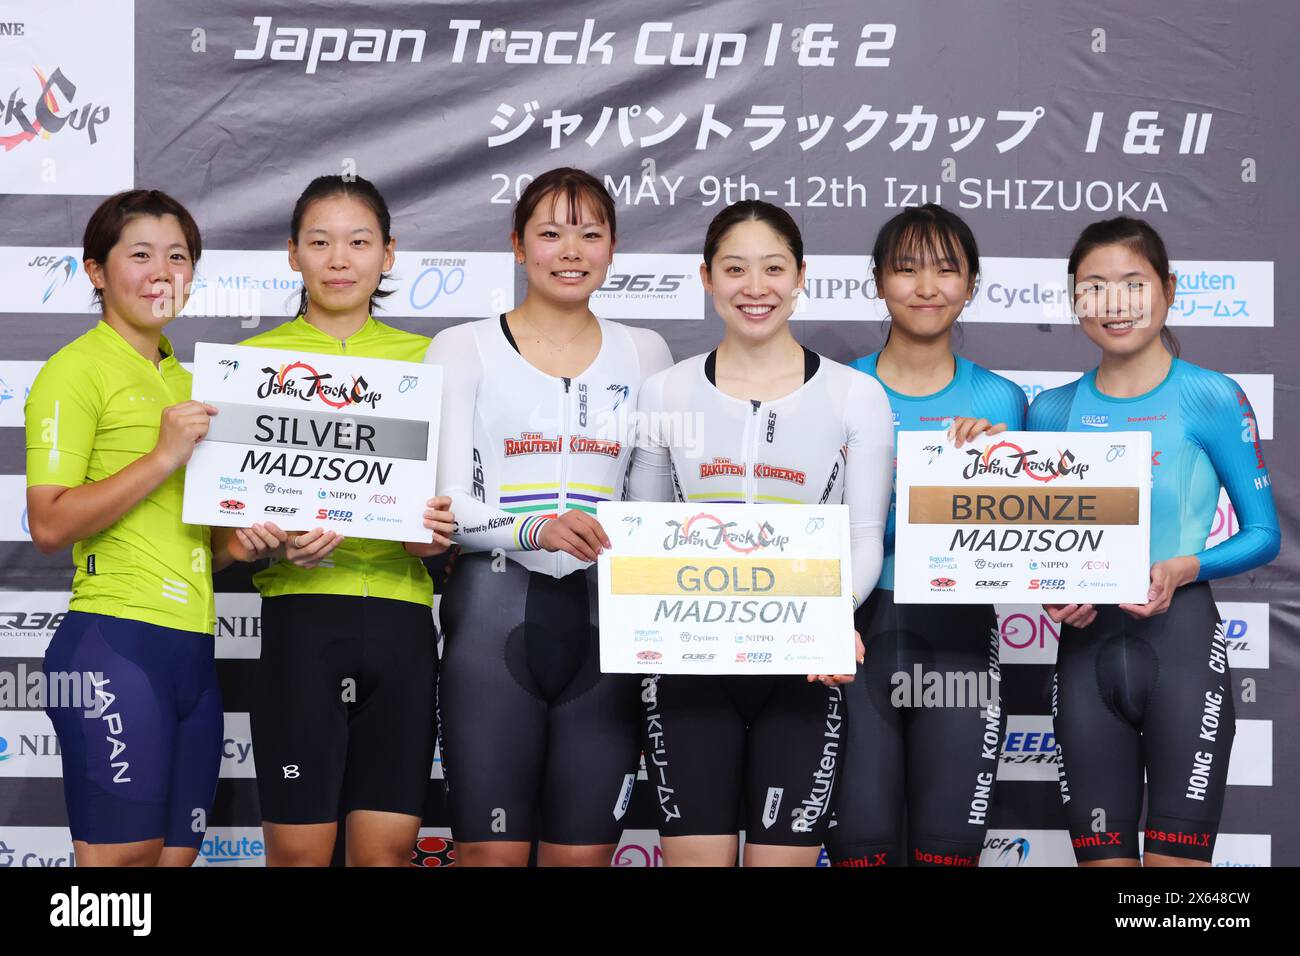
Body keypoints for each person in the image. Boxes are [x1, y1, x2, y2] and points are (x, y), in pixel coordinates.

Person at [627, 200, 894, 866]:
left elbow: (865, 540)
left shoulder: (854, 396)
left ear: (800, 275)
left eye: (773, 268)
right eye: (736, 269)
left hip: (803, 672)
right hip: (689, 671)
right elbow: (643, 534)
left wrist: (830, 618)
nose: (755, 287)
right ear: (706, 277)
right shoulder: (664, 393)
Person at [425, 167, 673, 866]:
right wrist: (535, 528)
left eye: (590, 234)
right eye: (551, 233)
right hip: (491, 620)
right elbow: (448, 509)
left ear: (613, 248)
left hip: (607, 630)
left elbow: (653, 509)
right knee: (489, 859)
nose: (572, 250)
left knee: (583, 860)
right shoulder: (462, 346)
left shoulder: (646, 351)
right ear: (516, 244)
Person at [26, 189, 274, 866]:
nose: (162, 271)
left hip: (193, 653)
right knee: (118, 871)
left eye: (178, 256)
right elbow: (47, 524)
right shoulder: (74, 371)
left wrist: (237, 543)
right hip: (115, 647)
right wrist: (163, 456)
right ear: (96, 271)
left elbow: (202, 547)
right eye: (140, 255)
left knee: (171, 864)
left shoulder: (187, 382)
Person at [1028, 216, 1280, 866]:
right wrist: (1055, 592)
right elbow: (1037, 544)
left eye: (1133, 284)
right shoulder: (1049, 413)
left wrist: (1182, 566)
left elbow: (1263, 534)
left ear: (1168, 289)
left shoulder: (1211, 396)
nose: (1114, 303)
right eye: (1094, 287)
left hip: (1183, 649)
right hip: (1084, 657)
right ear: (1073, 298)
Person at [218, 175, 453, 867]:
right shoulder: (251, 365)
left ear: (389, 254)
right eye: (320, 242)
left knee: (385, 857)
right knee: (297, 858)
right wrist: (259, 535)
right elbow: (225, 528)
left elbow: (449, 505)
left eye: (359, 241)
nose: (340, 258)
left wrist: (440, 527)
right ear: (293, 254)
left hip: (405, 625)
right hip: (301, 627)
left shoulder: (433, 361)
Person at [827, 204, 1025, 867]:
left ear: (971, 284)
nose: (926, 285)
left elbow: (1032, 539)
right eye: (906, 268)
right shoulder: (837, 390)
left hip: (959, 640)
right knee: (861, 852)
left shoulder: (1003, 402)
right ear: (878, 279)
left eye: (946, 269)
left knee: (947, 856)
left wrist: (999, 469)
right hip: (857, 635)